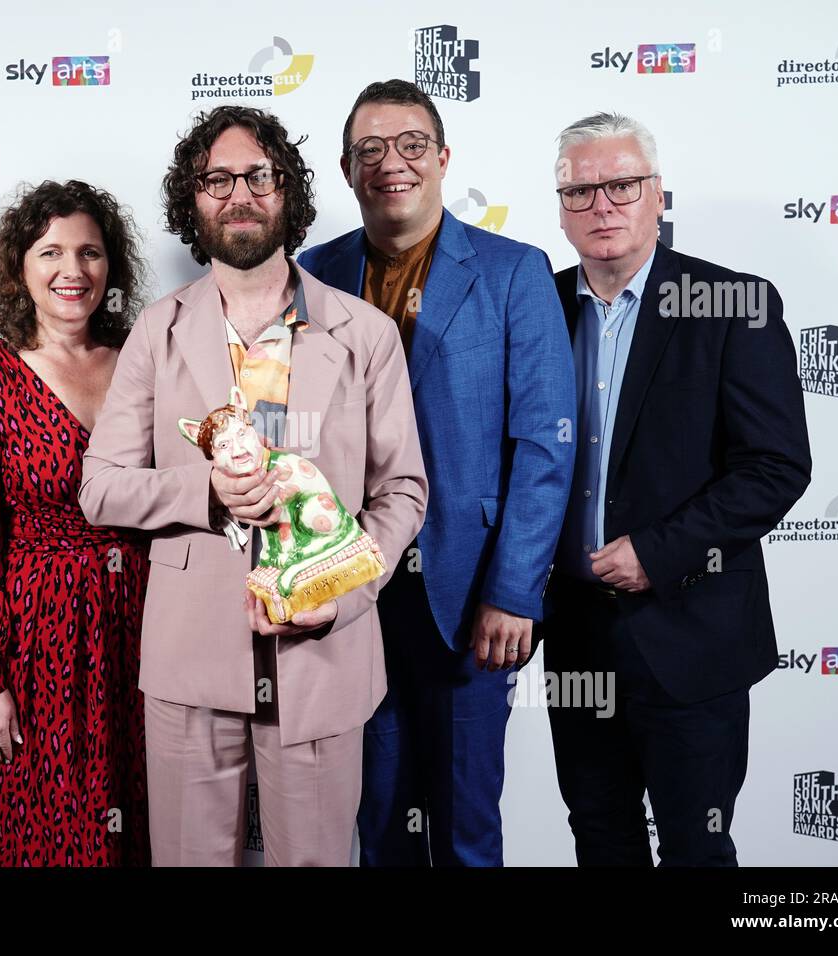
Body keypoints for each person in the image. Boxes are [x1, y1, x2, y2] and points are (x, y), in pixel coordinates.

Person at [78, 105, 428, 866]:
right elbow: (101, 488)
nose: (239, 193)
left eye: (259, 175)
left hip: (323, 649)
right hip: (191, 653)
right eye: (217, 179)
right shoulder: (156, 330)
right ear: (193, 201)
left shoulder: (364, 332)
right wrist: (203, 492)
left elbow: (402, 492)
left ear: (288, 190)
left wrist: (342, 592)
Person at [298, 79, 575, 866]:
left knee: (463, 827)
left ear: (444, 157)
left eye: (412, 144)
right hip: (350, 590)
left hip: (469, 594)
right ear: (348, 170)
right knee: (377, 817)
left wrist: (514, 591)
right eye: (371, 150)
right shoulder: (311, 276)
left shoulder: (515, 270)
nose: (394, 163)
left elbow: (546, 446)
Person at [541, 111, 811, 865]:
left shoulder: (734, 305)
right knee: (599, 838)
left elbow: (775, 466)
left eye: (622, 185)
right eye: (581, 191)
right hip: (575, 636)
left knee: (697, 847)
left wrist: (657, 553)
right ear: (559, 208)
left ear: (657, 195)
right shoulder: (537, 308)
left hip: (693, 632)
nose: (602, 205)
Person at [0, 180, 150, 866]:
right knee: (38, 829)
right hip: (34, 643)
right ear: (20, 267)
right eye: (50, 251)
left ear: (110, 267)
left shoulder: (144, 362)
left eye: (89, 252)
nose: (72, 270)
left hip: (142, 631)